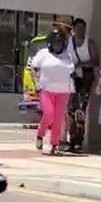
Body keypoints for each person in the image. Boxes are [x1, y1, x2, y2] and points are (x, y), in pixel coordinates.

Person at [28, 27, 76, 155]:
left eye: (60, 43)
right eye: (55, 43)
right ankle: (40, 134)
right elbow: (34, 69)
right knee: (49, 114)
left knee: (58, 118)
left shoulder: (68, 56)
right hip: (47, 89)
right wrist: (36, 83)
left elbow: (71, 71)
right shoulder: (43, 53)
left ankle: (55, 144)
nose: (58, 45)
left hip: (64, 91)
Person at [64, 17, 100, 152]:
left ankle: (79, 140)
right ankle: (71, 139)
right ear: (73, 29)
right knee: (70, 109)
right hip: (72, 78)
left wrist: (80, 64)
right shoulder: (68, 43)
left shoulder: (89, 44)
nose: (81, 31)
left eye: (83, 29)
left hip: (85, 77)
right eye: (78, 29)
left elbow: (95, 61)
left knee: (81, 109)